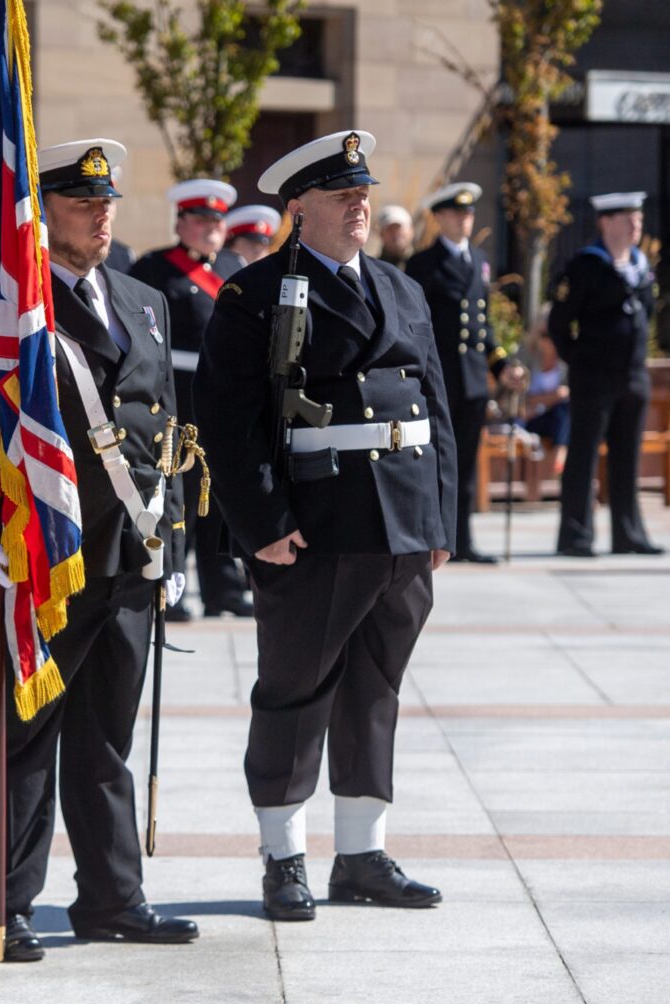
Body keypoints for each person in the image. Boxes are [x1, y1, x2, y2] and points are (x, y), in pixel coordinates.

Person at [0, 137, 198, 963]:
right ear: (42, 215)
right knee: (21, 731)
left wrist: (172, 541)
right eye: (83, 203)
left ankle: (114, 896)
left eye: (108, 201)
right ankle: (8, 900)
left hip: (129, 559)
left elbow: (167, 430)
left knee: (109, 735)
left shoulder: (144, 298)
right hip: (40, 556)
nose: (102, 215)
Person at [194, 128, 450, 923]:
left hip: (402, 522)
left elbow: (436, 406)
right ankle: (284, 856)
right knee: (295, 692)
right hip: (317, 521)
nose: (361, 206)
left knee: (376, 690)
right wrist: (262, 520)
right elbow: (227, 421)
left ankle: (363, 852)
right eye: (344, 197)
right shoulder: (256, 293)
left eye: (364, 194)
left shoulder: (402, 289)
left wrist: (442, 516)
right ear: (299, 208)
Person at [130, 178, 251, 619]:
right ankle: (168, 583)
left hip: (226, 395)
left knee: (220, 494)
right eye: (200, 220)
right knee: (176, 493)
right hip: (177, 396)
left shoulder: (235, 267)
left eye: (216, 221)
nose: (210, 228)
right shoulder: (155, 268)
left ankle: (224, 590)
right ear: (180, 223)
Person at [405, 182, 522, 563]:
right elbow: (415, 324)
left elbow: (481, 325)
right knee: (436, 461)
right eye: (456, 213)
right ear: (439, 218)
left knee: (467, 464)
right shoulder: (423, 264)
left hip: (472, 378)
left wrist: (501, 364)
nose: (464, 219)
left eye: (469, 213)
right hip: (439, 378)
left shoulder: (478, 258)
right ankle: (431, 537)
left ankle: (462, 539)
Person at [549, 192, 664, 557]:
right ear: (606, 221)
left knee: (628, 457)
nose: (636, 225)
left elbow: (647, 314)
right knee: (583, 456)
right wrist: (580, 359)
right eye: (628, 218)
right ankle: (576, 536)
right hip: (593, 378)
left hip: (632, 377)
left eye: (639, 218)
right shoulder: (586, 265)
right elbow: (559, 323)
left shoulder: (642, 265)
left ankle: (628, 534)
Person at [522, 308, 570, 476]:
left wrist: (545, 399)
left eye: (552, 334)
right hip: (530, 420)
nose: (548, 340)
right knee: (564, 413)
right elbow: (523, 402)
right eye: (544, 334)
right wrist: (553, 397)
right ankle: (560, 456)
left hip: (557, 420)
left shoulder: (566, 360)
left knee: (564, 413)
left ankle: (561, 453)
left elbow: (570, 395)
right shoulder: (525, 356)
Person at [376, 204, 414, 269]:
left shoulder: (426, 265)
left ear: (411, 231)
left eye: (399, 228)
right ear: (381, 234)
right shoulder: (373, 268)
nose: (395, 234)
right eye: (390, 229)